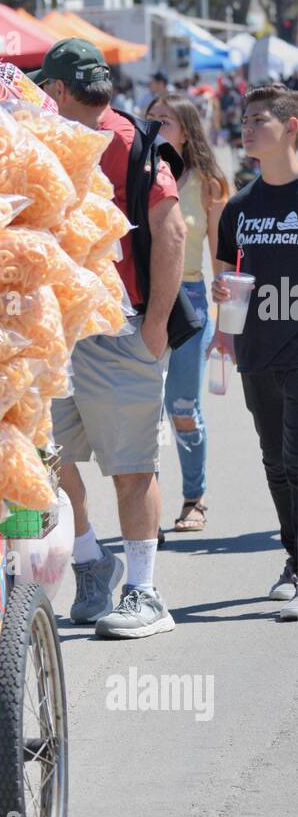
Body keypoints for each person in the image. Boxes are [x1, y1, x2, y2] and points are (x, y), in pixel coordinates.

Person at [29, 37, 187, 638]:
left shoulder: (122, 141)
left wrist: (153, 328)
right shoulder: (55, 138)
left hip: (119, 328)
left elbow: (171, 234)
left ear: (61, 90)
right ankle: (94, 563)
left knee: (129, 464)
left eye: (48, 88)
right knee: (49, 457)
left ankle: (146, 592)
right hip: (60, 328)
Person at [213, 83, 298, 620]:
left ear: (291, 127)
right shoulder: (239, 208)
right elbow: (225, 276)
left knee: (295, 458)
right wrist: (223, 300)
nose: (246, 127)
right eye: (244, 119)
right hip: (256, 347)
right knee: (274, 460)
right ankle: (292, 557)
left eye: (259, 119)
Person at [146, 94, 230, 532]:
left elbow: (222, 258)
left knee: (182, 406)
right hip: (143, 301)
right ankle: (149, 509)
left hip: (192, 299)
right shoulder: (138, 172)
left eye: (167, 119)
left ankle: (194, 498)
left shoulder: (208, 183)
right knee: (144, 411)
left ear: (187, 129)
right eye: (152, 117)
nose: (157, 125)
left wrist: (226, 324)